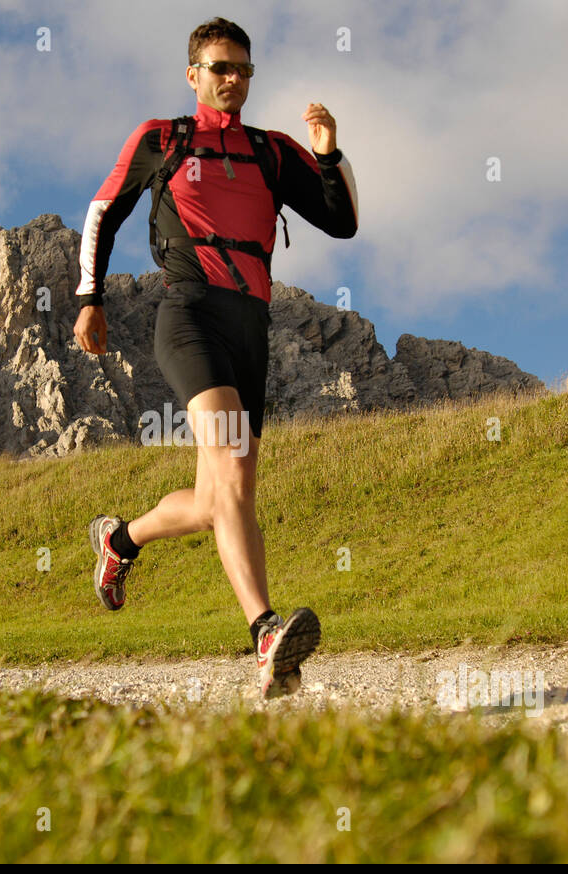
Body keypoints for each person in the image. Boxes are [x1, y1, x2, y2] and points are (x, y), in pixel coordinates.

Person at [73, 17, 359, 699]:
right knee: (231, 469)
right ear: (193, 74)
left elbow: (342, 220)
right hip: (190, 315)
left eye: (243, 70)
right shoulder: (163, 139)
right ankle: (265, 634)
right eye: (220, 68)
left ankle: (121, 540)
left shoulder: (269, 151)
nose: (233, 80)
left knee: (219, 498)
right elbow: (103, 211)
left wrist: (326, 153)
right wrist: (90, 296)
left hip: (250, 327)